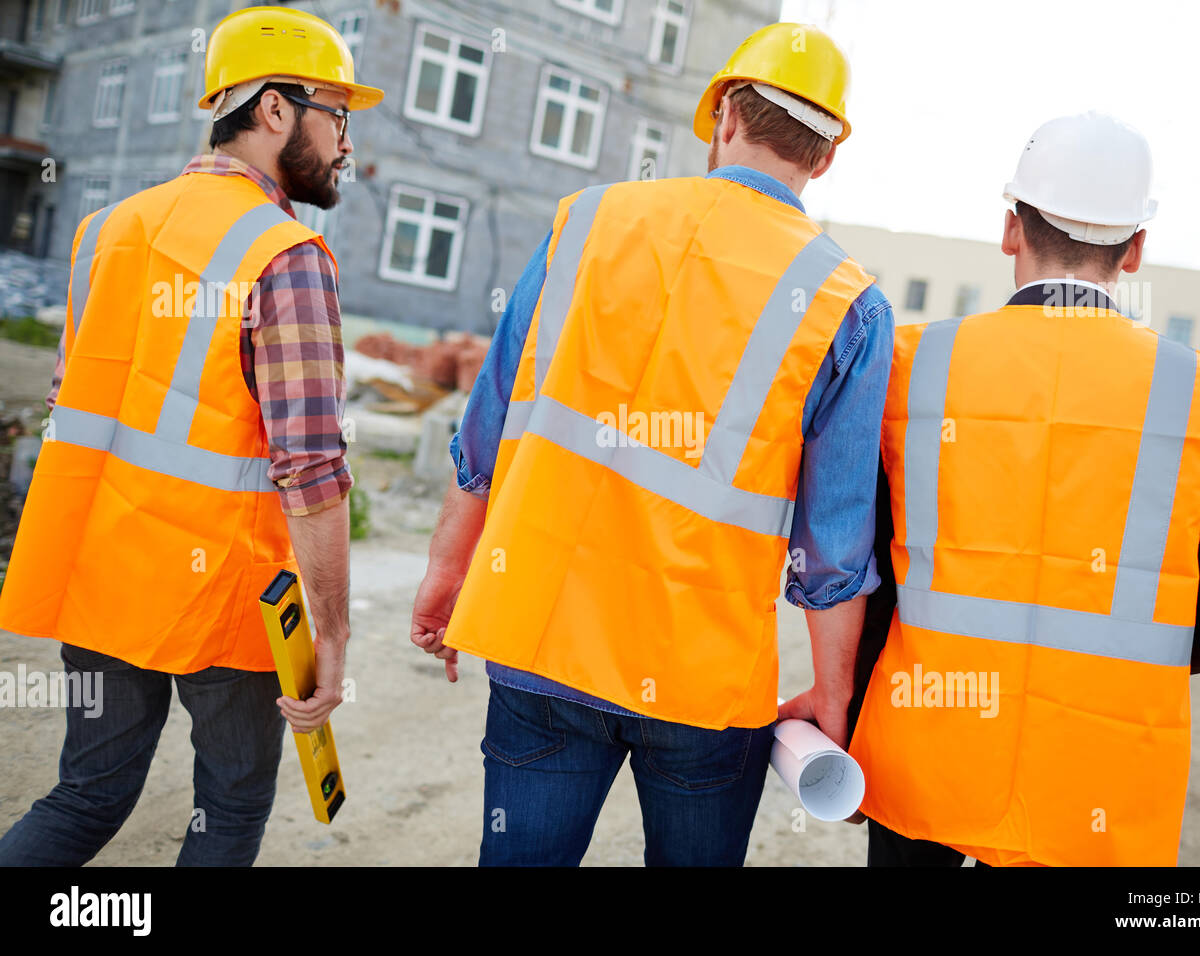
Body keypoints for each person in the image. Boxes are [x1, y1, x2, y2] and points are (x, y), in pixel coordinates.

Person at [409, 22, 895, 866]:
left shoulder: (589, 220)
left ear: (722, 120)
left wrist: (450, 572)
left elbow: (486, 428)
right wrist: (832, 693)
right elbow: (835, 545)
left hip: (539, 643)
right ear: (824, 160)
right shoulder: (845, 303)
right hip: (703, 685)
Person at [0, 5, 383, 866]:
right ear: (275, 111)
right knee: (230, 811)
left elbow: (82, 399)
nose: (348, 146)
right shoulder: (283, 254)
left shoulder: (108, 231)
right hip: (229, 600)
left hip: (105, 577)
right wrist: (334, 633)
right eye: (339, 116)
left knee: (85, 795)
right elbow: (312, 469)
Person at [840, 112, 1200, 866]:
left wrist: (849, 721)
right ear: (1136, 249)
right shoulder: (1195, 397)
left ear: (1012, 227)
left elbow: (867, 572)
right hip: (1095, 795)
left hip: (925, 762)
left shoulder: (916, 367)